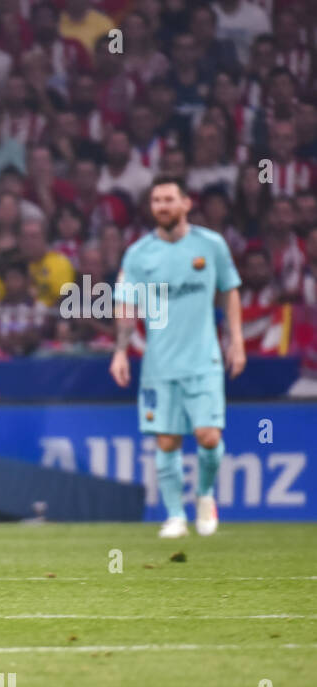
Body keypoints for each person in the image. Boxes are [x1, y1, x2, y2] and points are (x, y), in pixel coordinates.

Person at [110, 176, 245, 539]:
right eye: (156, 200)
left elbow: (230, 291)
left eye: (169, 199)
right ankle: (174, 516)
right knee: (167, 441)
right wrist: (120, 351)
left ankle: (204, 496)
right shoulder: (139, 254)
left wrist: (237, 341)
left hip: (204, 360)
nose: (162, 206)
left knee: (208, 437)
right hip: (160, 364)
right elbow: (126, 305)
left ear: (186, 203)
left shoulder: (211, 245)